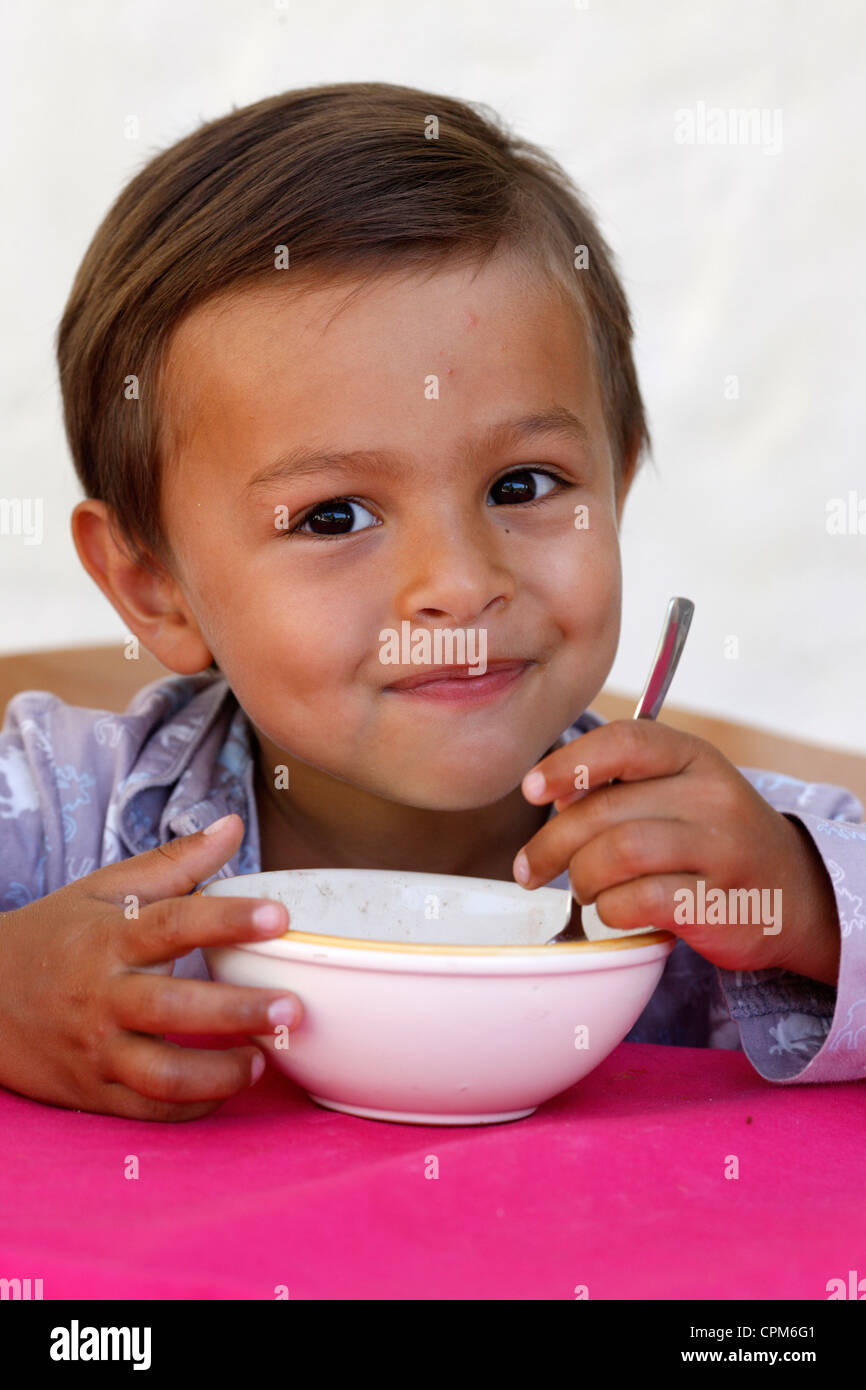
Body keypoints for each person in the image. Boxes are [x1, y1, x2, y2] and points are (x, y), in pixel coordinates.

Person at [1, 82, 863, 1121]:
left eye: (521, 487)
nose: (458, 583)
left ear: (616, 489)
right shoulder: (59, 814)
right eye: (331, 517)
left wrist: (807, 908)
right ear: (153, 583)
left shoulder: (735, 851)